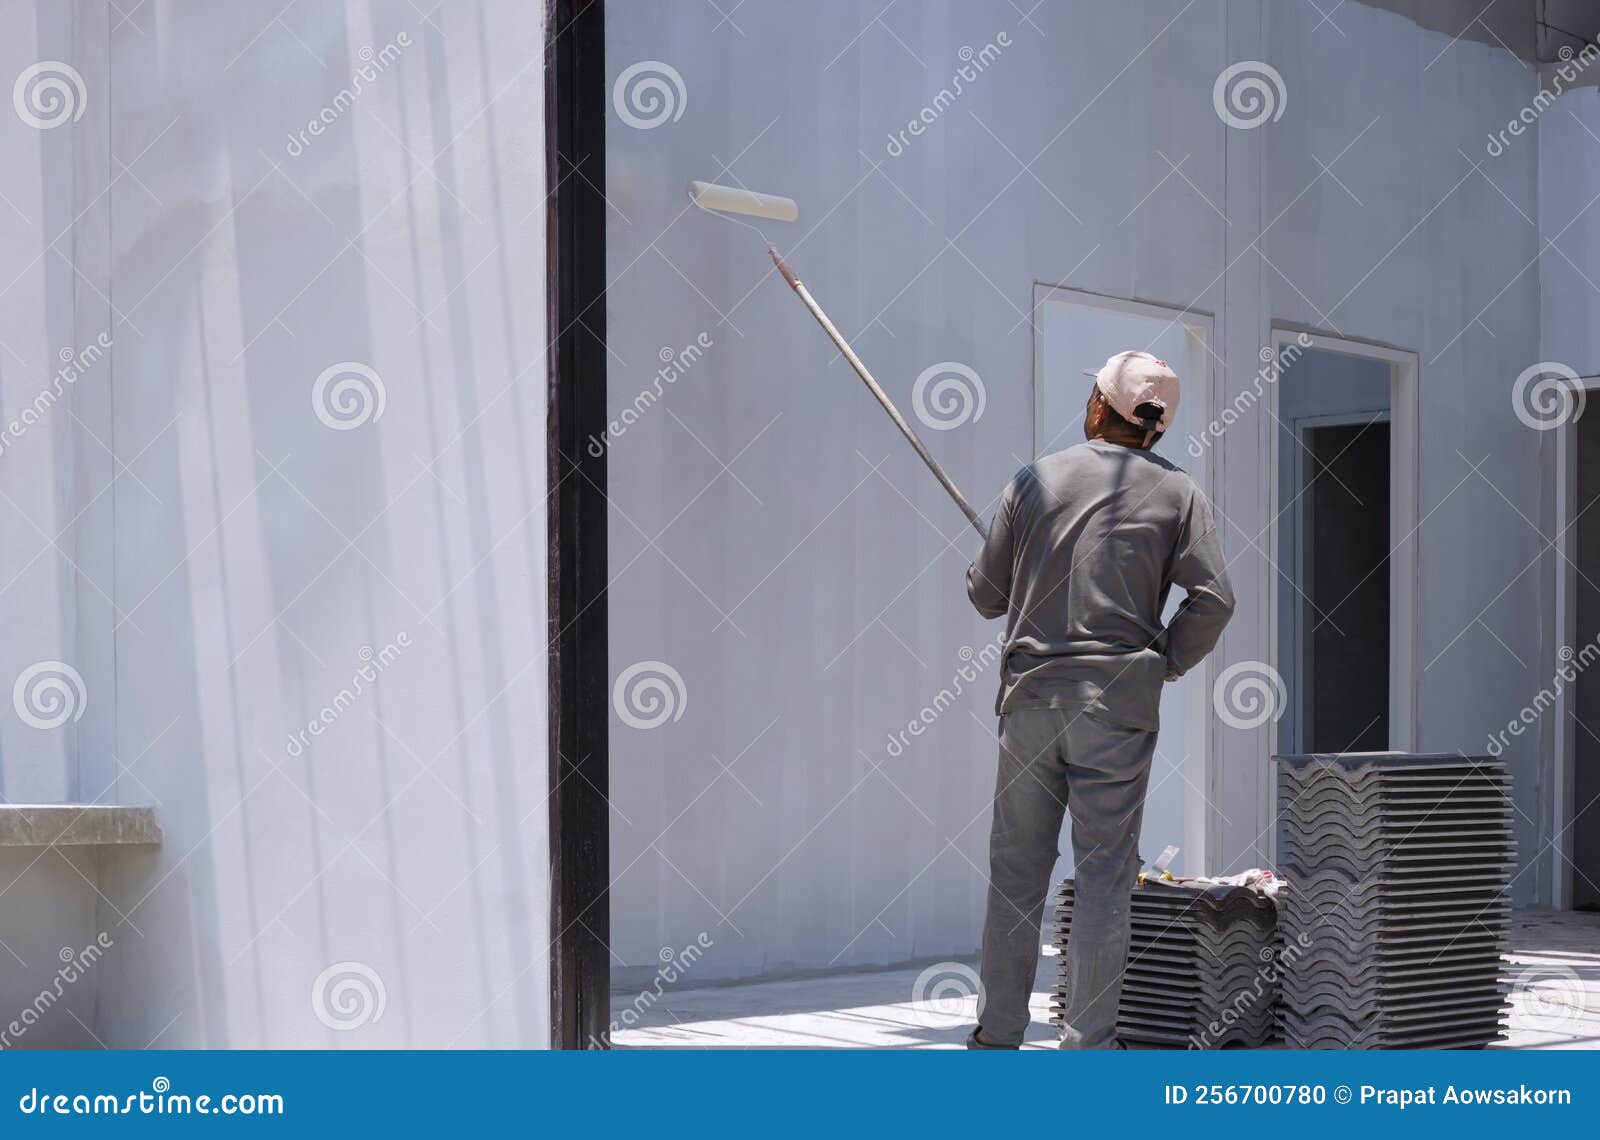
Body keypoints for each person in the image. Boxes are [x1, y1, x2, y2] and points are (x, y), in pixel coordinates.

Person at [963, 350, 1235, 1050]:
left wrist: (1009, 561)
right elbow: (1214, 599)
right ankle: (1089, 1052)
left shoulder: (1033, 481)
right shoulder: (1179, 494)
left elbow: (986, 596)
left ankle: (996, 1040)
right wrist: (1161, 663)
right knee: (1105, 878)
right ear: (1157, 427)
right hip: (1118, 708)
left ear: (1097, 407)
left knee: (1016, 875)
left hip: (1031, 702)